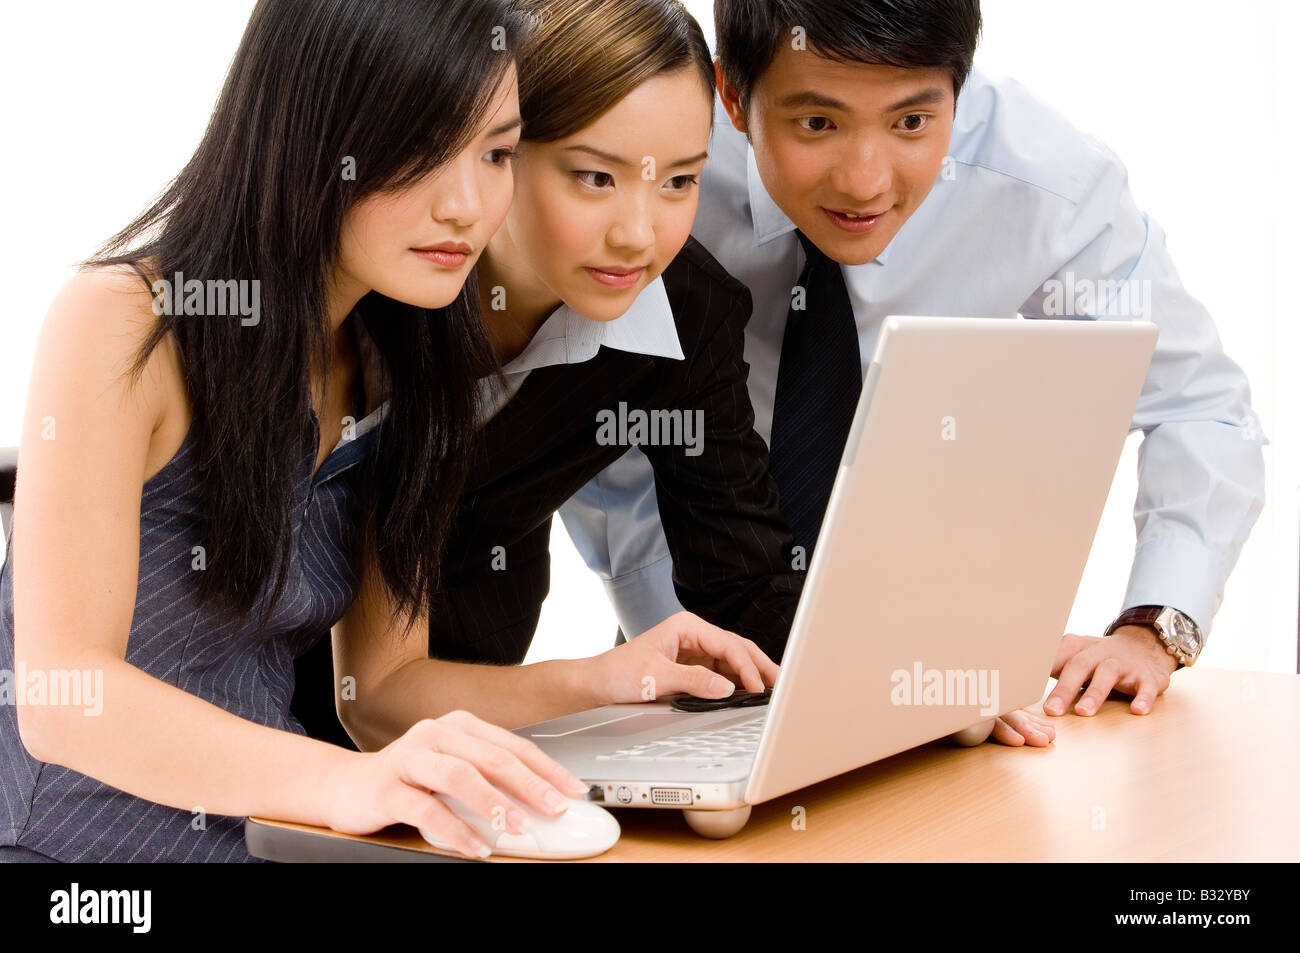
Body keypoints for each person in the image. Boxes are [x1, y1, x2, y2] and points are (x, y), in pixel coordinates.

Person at [0, 0, 766, 864]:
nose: (470, 206)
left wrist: (607, 682)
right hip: (65, 850)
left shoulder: (399, 348)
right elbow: (65, 697)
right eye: (424, 151)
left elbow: (383, 690)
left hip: (269, 839)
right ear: (312, 134)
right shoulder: (124, 321)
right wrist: (351, 783)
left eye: (497, 153)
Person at [561, 0, 1267, 733]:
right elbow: (596, 403)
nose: (865, 182)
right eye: (817, 124)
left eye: (911, 123)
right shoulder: (658, 164)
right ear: (733, 99)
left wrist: (1152, 627)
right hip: (693, 612)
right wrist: (682, 635)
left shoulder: (1042, 181)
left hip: (934, 655)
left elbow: (1199, 403)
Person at [292, 0, 794, 752]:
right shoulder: (391, 284)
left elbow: (746, 582)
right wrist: (601, 678)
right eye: (595, 177)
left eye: (680, 181)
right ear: (498, 147)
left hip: (487, 695)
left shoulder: (688, 312)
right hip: (265, 686)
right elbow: (374, 690)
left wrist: (939, 681)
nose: (638, 234)